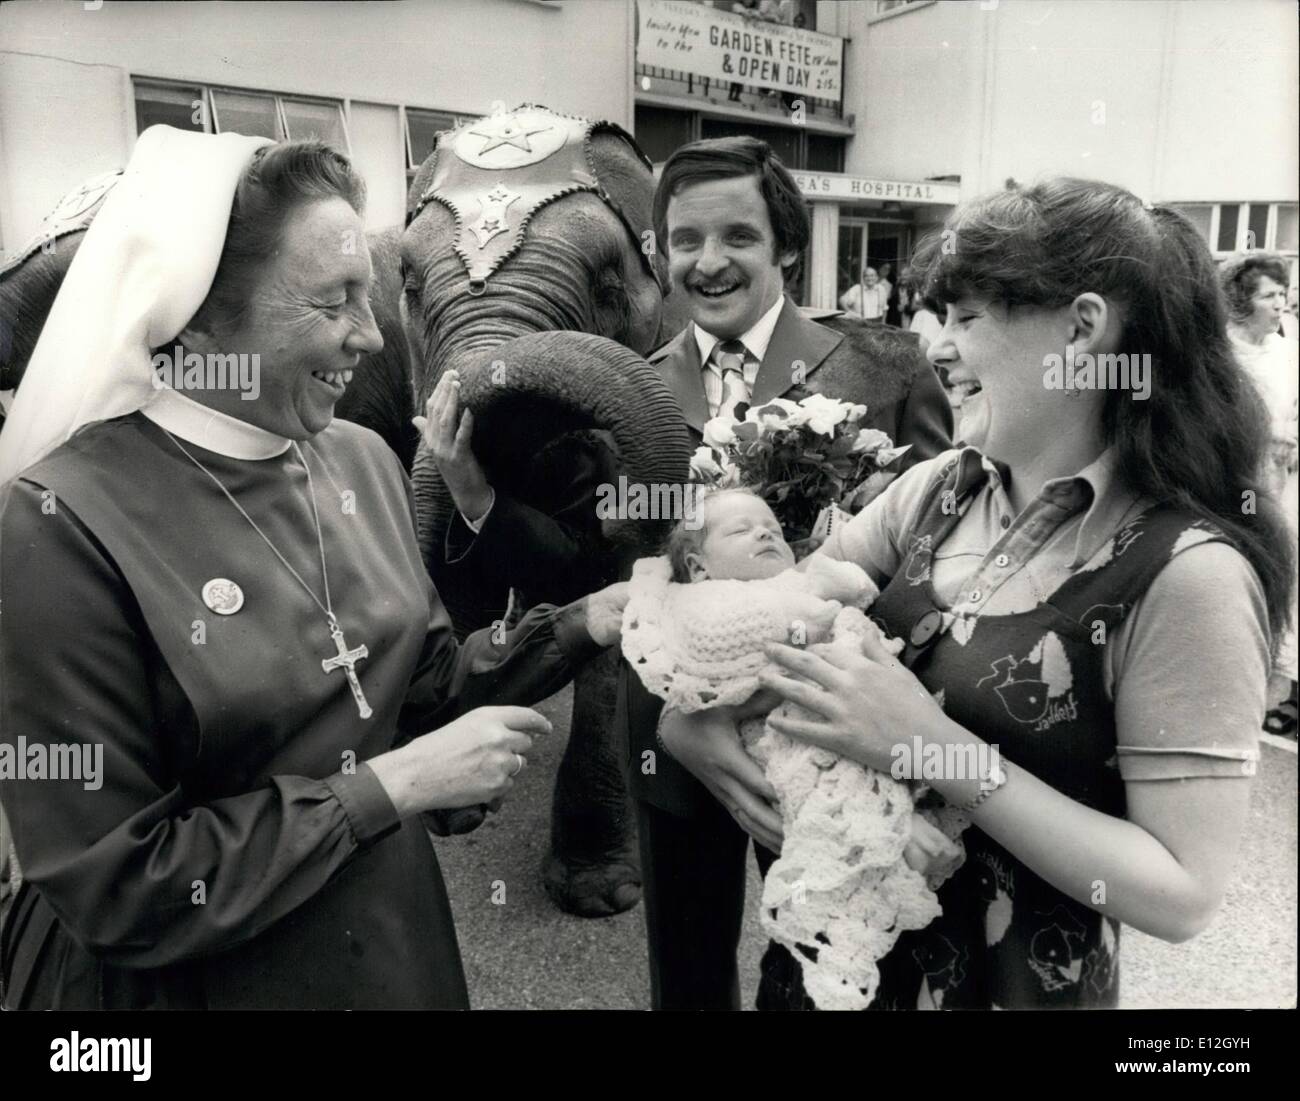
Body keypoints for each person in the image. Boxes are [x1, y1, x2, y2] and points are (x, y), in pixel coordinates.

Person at [0, 126, 627, 1010]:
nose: (373, 338)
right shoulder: (60, 521)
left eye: (371, 297)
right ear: (194, 317)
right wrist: (391, 785)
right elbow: (117, 880)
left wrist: (589, 619)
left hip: (386, 936)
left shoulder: (365, 458)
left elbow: (423, 689)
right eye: (332, 303)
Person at [671, 177, 1293, 1009]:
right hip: (830, 972)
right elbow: (775, 619)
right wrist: (693, 719)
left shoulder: (1189, 571)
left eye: (965, 317)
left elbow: (1180, 893)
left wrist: (931, 747)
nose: (936, 346)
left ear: (1081, 330)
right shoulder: (938, 487)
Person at [622, 134, 953, 1010]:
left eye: (738, 236)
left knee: (829, 957)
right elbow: (607, 562)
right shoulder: (635, 392)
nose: (709, 260)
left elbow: (941, 542)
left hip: (830, 737)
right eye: (685, 240)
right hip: (677, 722)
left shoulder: (885, 368)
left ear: (789, 247)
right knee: (685, 968)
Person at [621, 488, 962, 1009]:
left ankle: (892, 842)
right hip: (764, 737)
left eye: (773, 530)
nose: (764, 533)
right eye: (741, 530)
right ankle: (894, 837)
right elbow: (722, 646)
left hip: (834, 713)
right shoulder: (702, 605)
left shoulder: (796, 582)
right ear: (698, 565)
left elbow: (845, 578)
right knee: (805, 789)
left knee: (828, 789)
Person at [1220, 252, 1298, 731]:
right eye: (1269, 295)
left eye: (1282, 294)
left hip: (1283, 480)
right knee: (1240, 573)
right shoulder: (1223, 353)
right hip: (1235, 480)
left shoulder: (1288, 351)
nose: (1280, 304)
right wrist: (1268, 436)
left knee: (1282, 573)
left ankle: (1279, 687)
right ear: (1241, 301)